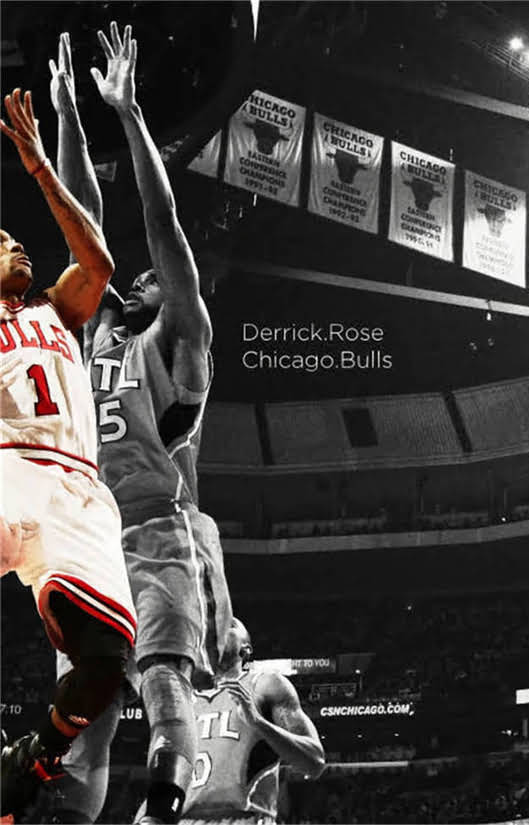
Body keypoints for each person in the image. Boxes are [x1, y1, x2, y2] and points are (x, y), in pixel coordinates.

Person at [45, 24, 233, 825]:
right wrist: (70, 116)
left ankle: (160, 812)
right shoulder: (103, 333)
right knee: (83, 718)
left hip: (155, 532)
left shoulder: (181, 338)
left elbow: (164, 223)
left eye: (159, 277)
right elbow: (83, 226)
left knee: (160, 683)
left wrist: (129, 115)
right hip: (88, 541)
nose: (146, 273)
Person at [0, 87, 137, 821]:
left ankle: (32, 758)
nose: (16, 244)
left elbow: (100, 262)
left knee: (108, 660)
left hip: (79, 491)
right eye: (0, 242)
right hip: (7, 466)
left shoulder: (56, 309)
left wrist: (41, 169)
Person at [179, 618, 325, 824]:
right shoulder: (183, 698)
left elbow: (314, 762)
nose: (218, 626)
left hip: (245, 818)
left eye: (229, 624)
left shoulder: (266, 685)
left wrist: (258, 722)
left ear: (245, 649)